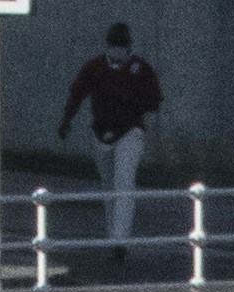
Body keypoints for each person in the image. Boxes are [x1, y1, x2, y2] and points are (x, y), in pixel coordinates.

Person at [61, 19, 162, 250]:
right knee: (109, 187)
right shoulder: (95, 67)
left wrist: (132, 101)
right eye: (114, 44)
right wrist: (66, 120)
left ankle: (120, 241)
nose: (117, 49)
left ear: (129, 46)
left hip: (130, 132)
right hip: (101, 134)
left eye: (121, 45)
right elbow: (77, 93)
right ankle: (113, 237)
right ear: (107, 45)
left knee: (124, 183)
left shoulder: (140, 69)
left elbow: (155, 101)